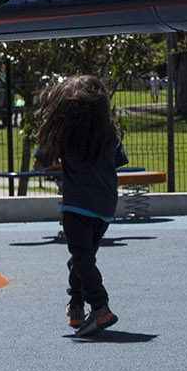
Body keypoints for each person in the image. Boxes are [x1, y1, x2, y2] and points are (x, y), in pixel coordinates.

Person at [33, 75, 127, 337]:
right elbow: (119, 161)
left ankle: (99, 306)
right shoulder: (109, 134)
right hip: (105, 206)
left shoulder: (65, 133)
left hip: (77, 207)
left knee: (82, 258)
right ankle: (76, 306)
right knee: (83, 257)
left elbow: (41, 162)